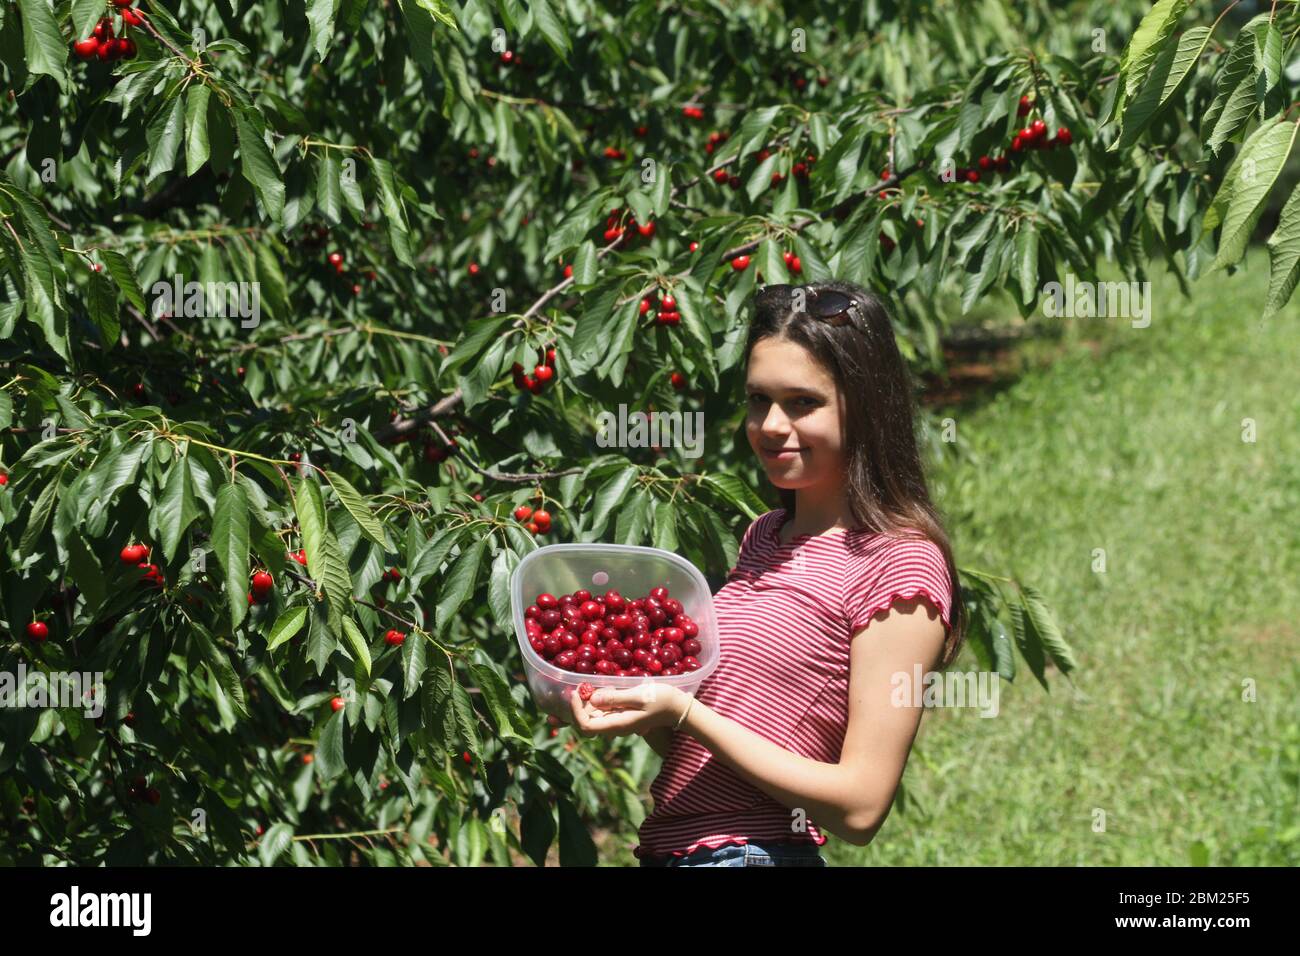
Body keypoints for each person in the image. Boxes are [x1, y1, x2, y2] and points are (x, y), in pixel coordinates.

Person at [571, 279, 967, 867]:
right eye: (759, 400)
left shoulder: (899, 565)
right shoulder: (765, 535)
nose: (772, 425)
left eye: (803, 402)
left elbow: (860, 807)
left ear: (865, 405)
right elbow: (722, 743)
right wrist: (635, 709)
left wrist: (685, 712)